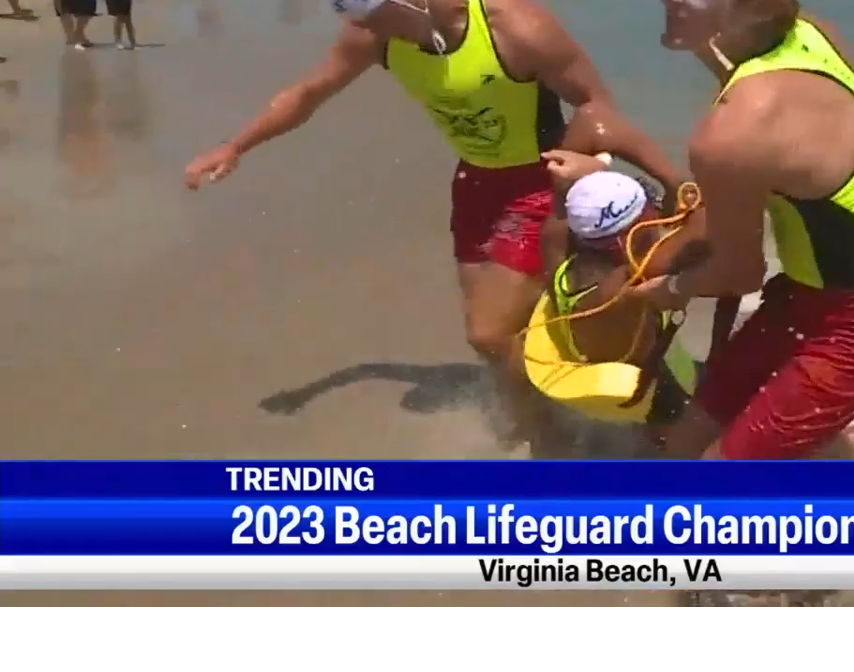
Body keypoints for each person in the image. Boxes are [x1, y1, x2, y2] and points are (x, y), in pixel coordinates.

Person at [183, 0, 681, 453]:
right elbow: (311, 91)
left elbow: (596, 103)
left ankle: (555, 441)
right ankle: (560, 412)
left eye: (357, 6)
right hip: (475, 183)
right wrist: (236, 146)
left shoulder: (515, 27)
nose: (350, 20)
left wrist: (582, 171)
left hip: (539, 181)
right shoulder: (374, 32)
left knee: (489, 334)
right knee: (504, 334)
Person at [630, 0, 854, 460]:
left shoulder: (734, 130)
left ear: (751, 11)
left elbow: (740, 275)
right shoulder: (810, 35)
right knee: (681, 445)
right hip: (805, 296)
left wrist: (671, 287)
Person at [527, 150, 705, 446]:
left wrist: (598, 166)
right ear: (628, 237)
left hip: (592, 364)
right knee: (696, 426)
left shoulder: (556, 237)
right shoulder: (633, 277)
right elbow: (709, 227)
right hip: (647, 387)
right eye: (650, 209)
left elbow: (563, 199)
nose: (659, 209)